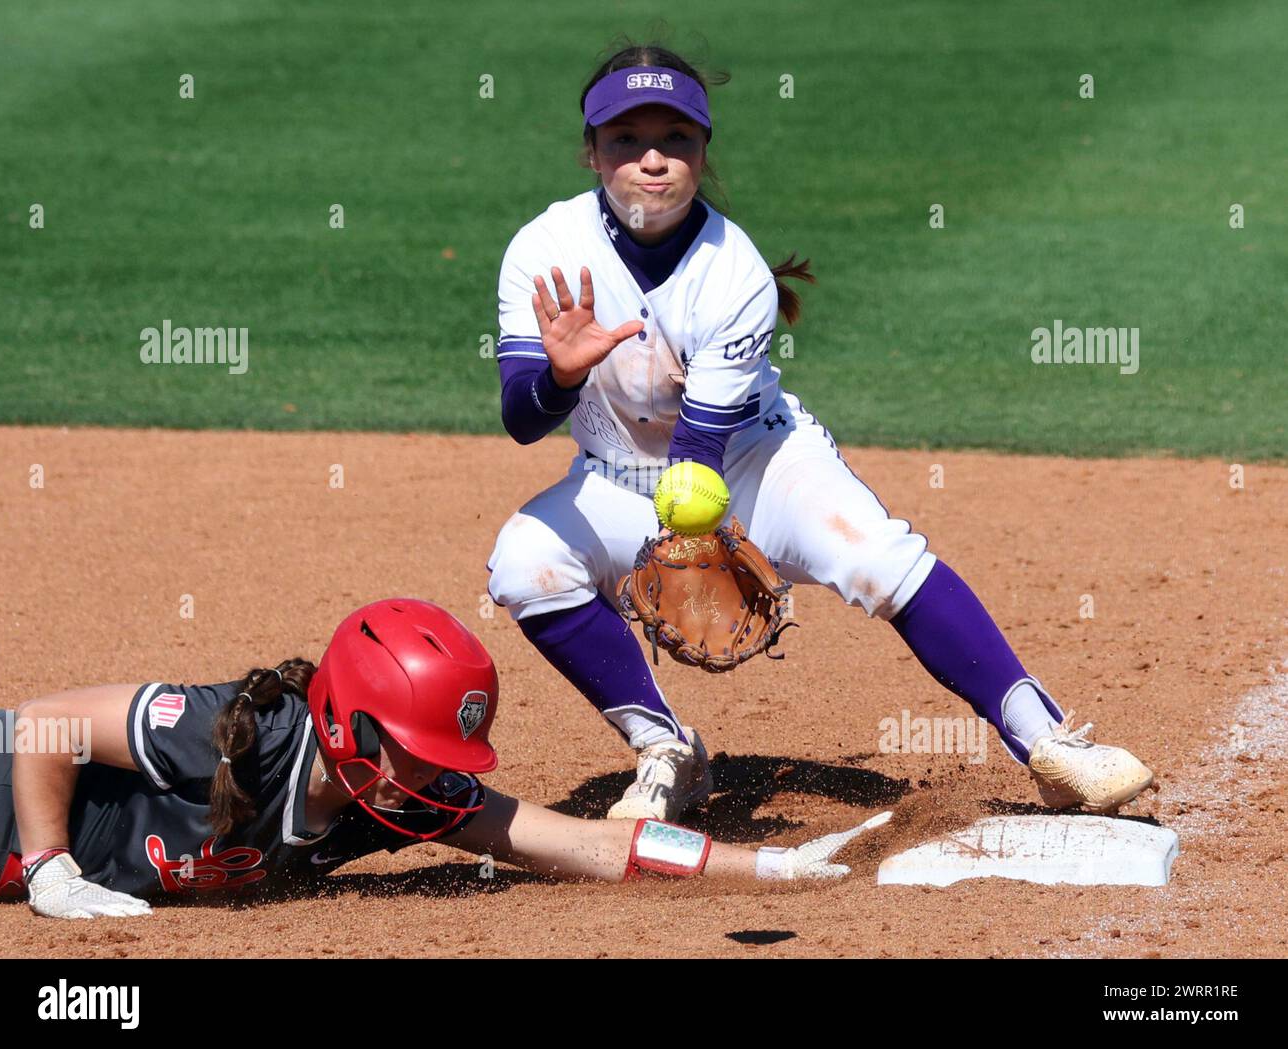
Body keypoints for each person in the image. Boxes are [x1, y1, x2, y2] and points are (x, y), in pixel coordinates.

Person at [486, 42, 1154, 822]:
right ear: (592, 151)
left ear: (704, 151)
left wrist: (693, 544)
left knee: (878, 559)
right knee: (525, 561)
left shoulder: (735, 272)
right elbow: (522, 420)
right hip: (618, 476)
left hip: (755, 462)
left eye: (677, 140)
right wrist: (560, 377)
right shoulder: (545, 251)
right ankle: (666, 749)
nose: (654, 160)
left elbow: (699, 456)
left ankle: (1048, 745)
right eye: (627, 140)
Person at [0, 598, 879, 920]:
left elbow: (583, 843)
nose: (428, 777)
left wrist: (766, 863)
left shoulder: (409, 797)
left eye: (438, 758)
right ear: (346, 723)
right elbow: (39, 726)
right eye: (413, 753)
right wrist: (53, 869)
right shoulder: (238, 730)